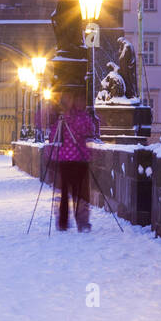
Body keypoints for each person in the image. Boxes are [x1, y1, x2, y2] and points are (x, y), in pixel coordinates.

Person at [51, 86, 96, 232]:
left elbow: (90, 131)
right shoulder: (62, 117)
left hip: (80, 159)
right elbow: (53, 137)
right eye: (76, 100)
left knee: (80, 193)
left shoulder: (83, 116)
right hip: (66, 159)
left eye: (81, 100)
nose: (80, 102)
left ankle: (81, 222)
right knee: (66, 192)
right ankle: (64, 222)